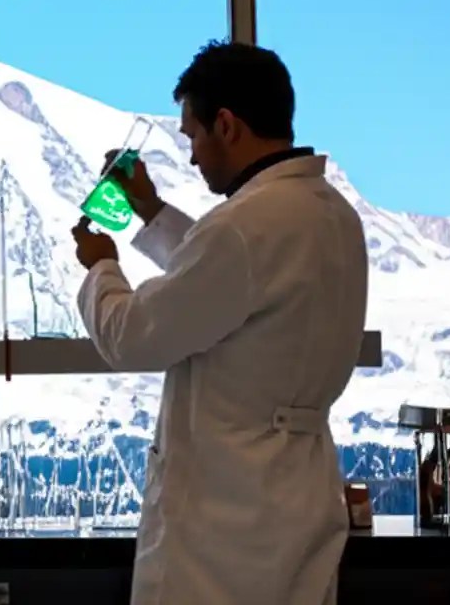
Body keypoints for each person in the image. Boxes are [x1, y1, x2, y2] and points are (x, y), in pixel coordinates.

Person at [70, 40, 368, 605]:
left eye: (193, 136)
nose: (191, 156)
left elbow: (132, 338)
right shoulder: (331, 215)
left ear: (226, 125)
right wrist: (151, 212)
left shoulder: (243, 226)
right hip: (297, 503)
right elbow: (229, 288)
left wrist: (101, 267)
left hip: (221, 527)